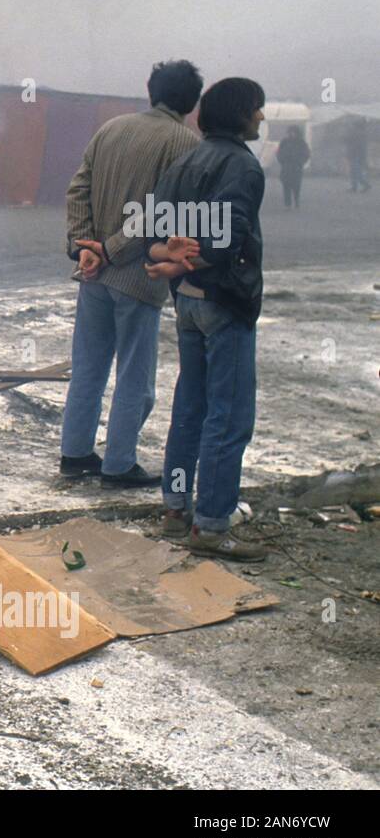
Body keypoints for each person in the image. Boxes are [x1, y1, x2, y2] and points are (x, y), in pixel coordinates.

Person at [60, 60, 203, 488]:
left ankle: (75, 454)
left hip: (93, 275)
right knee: (134, 378)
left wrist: (85, 247)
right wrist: (111, 250)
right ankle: (119, 465)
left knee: (88, 368)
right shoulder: (186, 143)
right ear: (192, 101)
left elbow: (77, 190)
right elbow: (160, 211)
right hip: (138, 275)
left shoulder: (111, 129)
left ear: (151, 91)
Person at [145, 77, 269, 561]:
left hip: (188, 303)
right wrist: (184, 261)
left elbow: (154, 228)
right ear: (240, 114)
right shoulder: (241, 164)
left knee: (191, 407)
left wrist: (170, 261)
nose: (261, 116)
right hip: (223, 300)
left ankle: (176, 511)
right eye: (257, 108)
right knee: (229, 414)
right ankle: (213, 525)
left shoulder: (186, 159)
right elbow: (226, 241)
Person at [275, 125, 310, 208]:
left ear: (297, 133)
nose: (291, 134)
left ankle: (296, 201)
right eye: (290, 132)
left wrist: (301, 162)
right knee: (286, 186)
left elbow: (306, 154)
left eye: (293, 132)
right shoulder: (284, 142)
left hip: (296, 168)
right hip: (286, 168)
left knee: (296, 186)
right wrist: (282, 161)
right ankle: (288, 204)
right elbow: (279, 153)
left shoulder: (301, 142)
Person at [345, 116, 370, 193]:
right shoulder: (362, 133)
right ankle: (354, 186)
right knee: (354, 171)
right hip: (358, 155)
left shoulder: (356, 133)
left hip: (355, 155)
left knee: (355, 171)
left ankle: (364, 184)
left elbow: (346, 140)